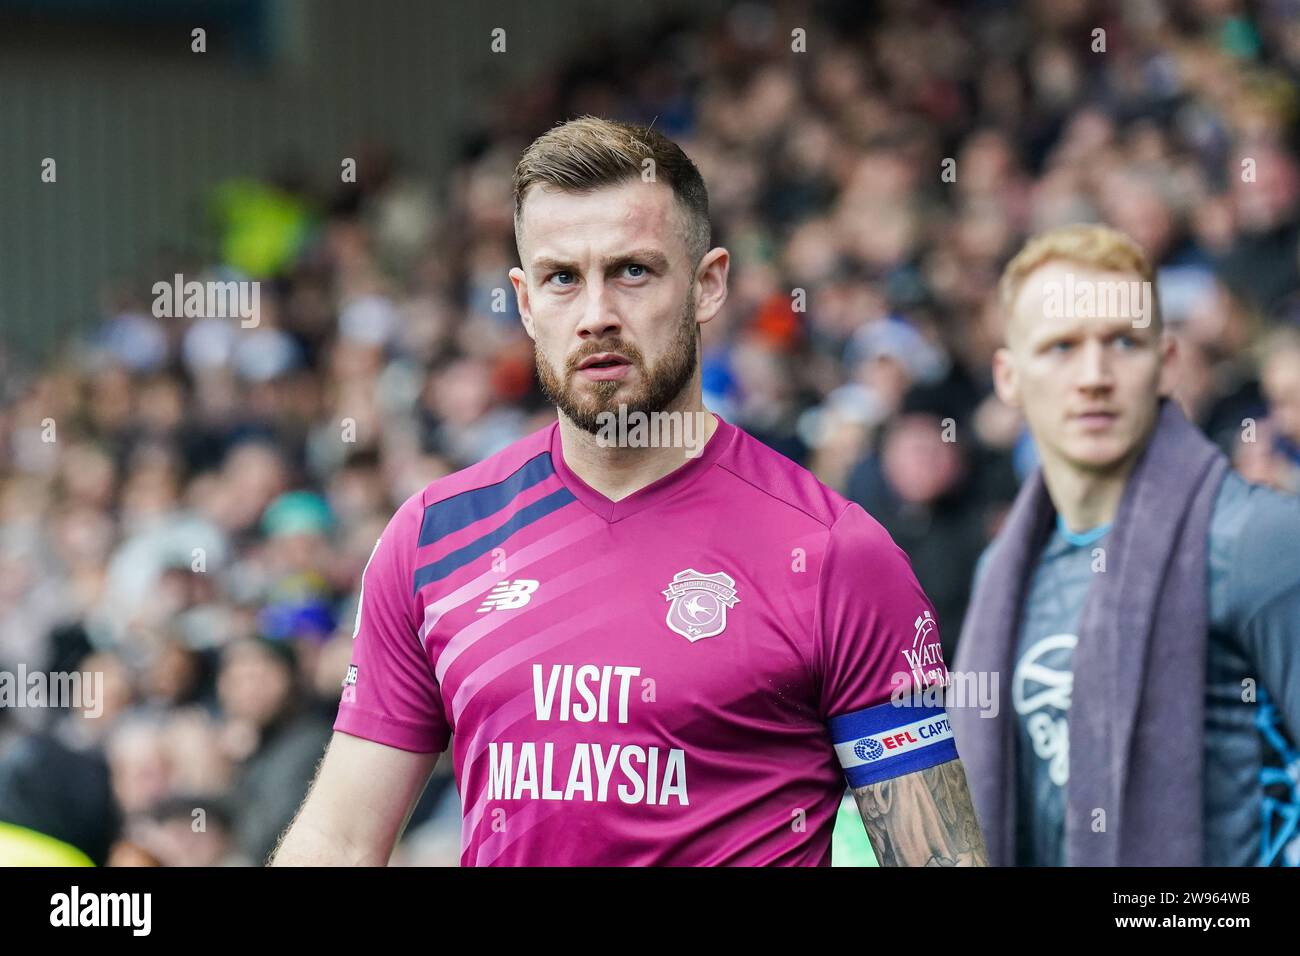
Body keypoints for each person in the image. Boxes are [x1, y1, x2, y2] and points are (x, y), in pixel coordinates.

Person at [272, 116, 987, 867]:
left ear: (709, 284)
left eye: (633, 271)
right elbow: (339, 839)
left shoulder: (835, 553)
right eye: (561, 279)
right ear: (522, 300)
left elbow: (938, 861)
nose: (596, 315)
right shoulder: (433, 536)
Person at [951, 224, 1300, 866]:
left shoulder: (1261, 541)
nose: (1094, 377)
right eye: (1060, 347)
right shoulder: (1000, 570)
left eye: (1123, 343)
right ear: (1008, 377)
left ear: (1167, 363)